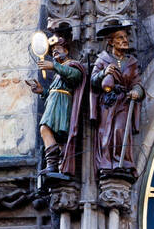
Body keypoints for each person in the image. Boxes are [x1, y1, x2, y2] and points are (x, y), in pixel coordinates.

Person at [25, 24, 86, 181]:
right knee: (55, 137)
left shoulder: (71, 65)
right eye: (53, 51)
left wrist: (54, 66)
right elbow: (53, 94)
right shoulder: (58, 73)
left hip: (62, 106)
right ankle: (58, 165)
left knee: (45, 129)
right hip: (55, 104)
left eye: (58, 49)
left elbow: (75, 76)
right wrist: (41, 91)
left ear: (66, 50)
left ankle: (52, 164)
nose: (55, 52)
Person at [90, 24, 144, 173]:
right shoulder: (103, 59)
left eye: (126, 37)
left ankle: (122, 162)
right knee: (105, 131)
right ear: (111, 42)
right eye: (120, 37)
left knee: (120, 130)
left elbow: (137, 82)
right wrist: (103, 73)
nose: (125, 40)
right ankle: (106, 163)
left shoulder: (131, 62)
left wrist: (136, 91)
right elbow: (93, 81)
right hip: (107, 102)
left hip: (124, 101)